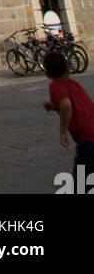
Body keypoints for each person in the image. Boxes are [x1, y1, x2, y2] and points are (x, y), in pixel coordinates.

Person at [42, 49, 94, 182]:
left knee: (82, 181)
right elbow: (77, 104)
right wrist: (54, 107)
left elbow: (66, 104)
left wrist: (62, 133)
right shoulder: (73, 84)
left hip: (88, 139)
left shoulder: (56, 85)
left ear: (47, 72)